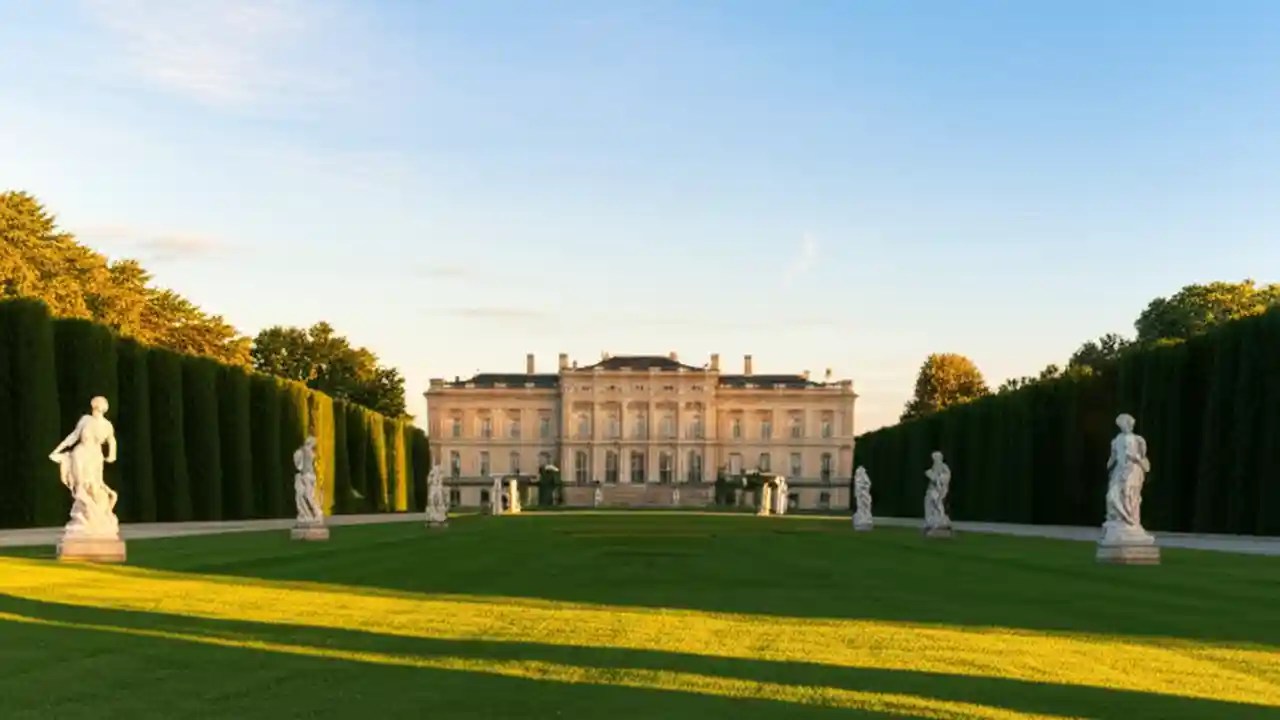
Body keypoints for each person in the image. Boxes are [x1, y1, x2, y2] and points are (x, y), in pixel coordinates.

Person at [48, 396, 119, 536]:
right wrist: (58, 449)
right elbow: (74, 437)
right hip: (81, 455)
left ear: (96, 407)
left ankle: (96, 515)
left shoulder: (102, 424)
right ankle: (90, 514)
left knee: (95, 486)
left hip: (94, 457)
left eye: (94, 407)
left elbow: (111, 441)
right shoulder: (89, 420)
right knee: (81, 485)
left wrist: (112, 455)